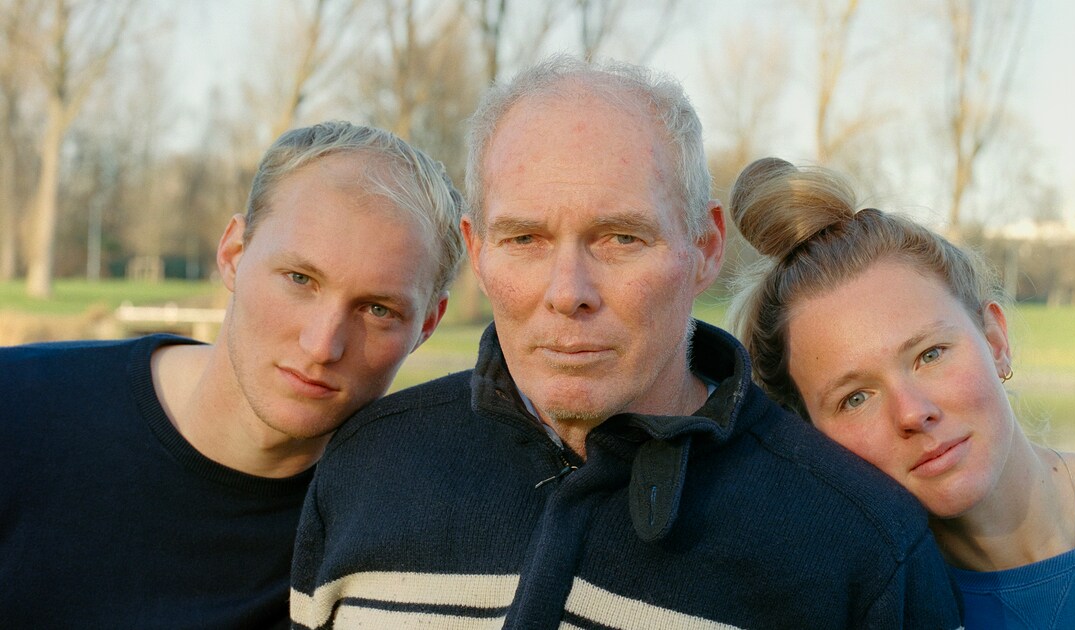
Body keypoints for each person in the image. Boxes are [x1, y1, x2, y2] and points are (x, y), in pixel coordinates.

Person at [289, 57, 962, 629]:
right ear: (478, 250)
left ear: (704, 248)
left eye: (620, 238)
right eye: (525, 239)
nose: (568, 291)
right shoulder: (368, 466)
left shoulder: (859, 545)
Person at [0, 121, 464, 628]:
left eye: (377, 310)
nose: (322, 345)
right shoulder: (18, 412)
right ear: (233, 255)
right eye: (299, 279)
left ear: (427, 325)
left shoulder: (412, 527)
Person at [726, 156, 1075, 629]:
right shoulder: (844, 611)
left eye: (930, 354)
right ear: (810, 438)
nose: (912, 413)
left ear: (996, 340)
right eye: (855, 397)